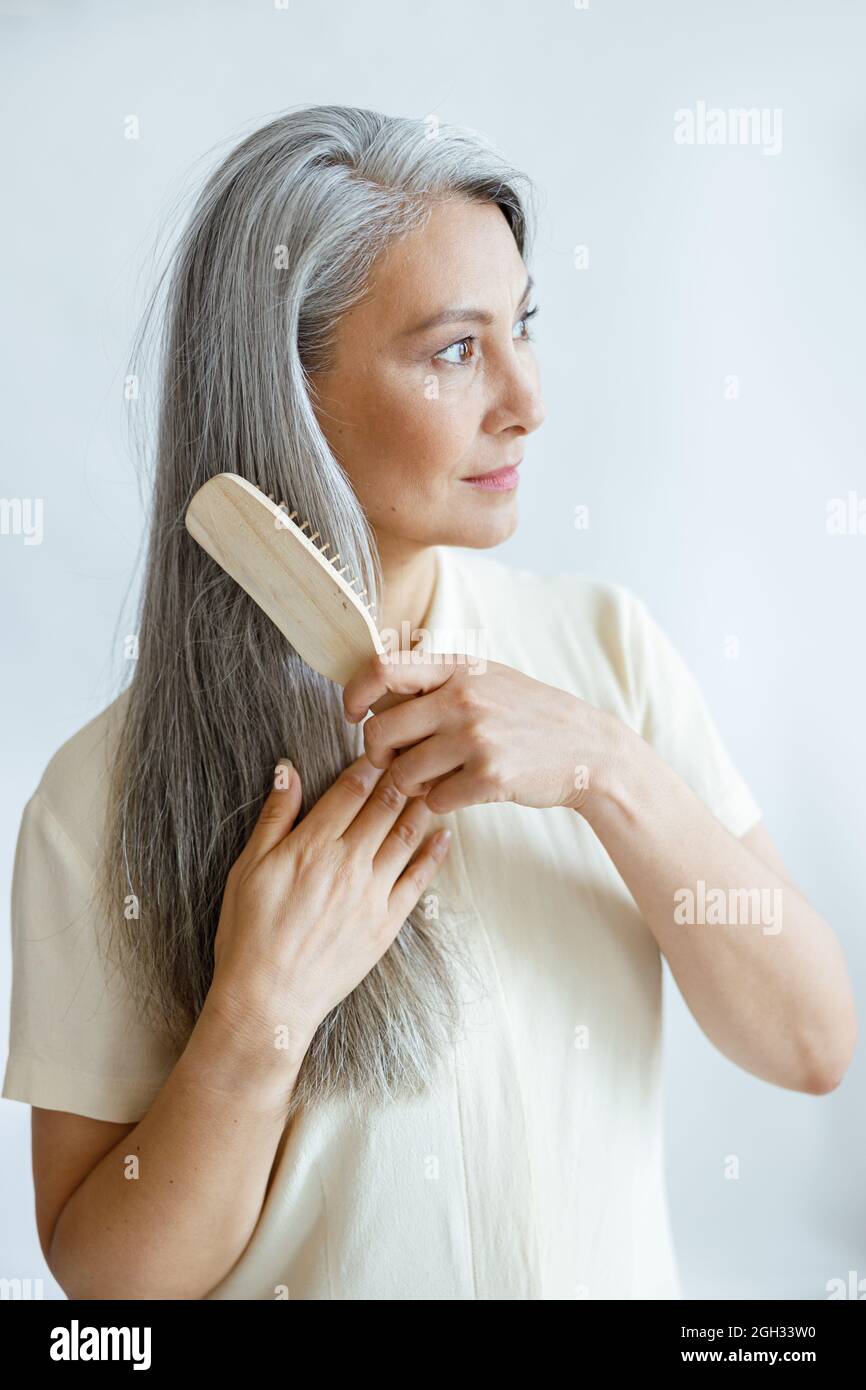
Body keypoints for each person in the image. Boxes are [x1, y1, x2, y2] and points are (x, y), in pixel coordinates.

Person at [3, 105, 856, 1301]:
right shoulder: (99, 797)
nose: (526, 399)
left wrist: (606, 769)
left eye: (521, 328)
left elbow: (814, 1046)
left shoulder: (606, 650)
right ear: (284, 392)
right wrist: (257, 1019)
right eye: (455, 350)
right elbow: (109, 1293)